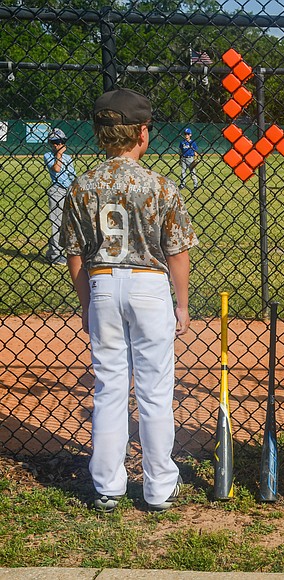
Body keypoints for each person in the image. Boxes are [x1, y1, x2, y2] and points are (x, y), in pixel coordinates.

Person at [60, 88, 198, 513]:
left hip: (101, 283)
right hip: (147, 285)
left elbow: (75, 253)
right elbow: (177, 251)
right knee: (156, 390)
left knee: (109, 387)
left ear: (101, 134)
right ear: (141, 132)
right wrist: (182, 304)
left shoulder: (82, 186)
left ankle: (107, 486)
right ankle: (158, 487)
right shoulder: (158, 184)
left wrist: (87, 303)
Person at [43, 128, 76, 265]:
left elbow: (72, 175)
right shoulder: (48, 155)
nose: (57, 145)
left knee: (65, 223)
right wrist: (59, 155)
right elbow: (56, 169)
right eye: (54, 142)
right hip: (56, 190)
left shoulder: (68, 157)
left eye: (60, 142)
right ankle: (56, 255)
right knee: (56, 223)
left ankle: (51, 251)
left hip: (68, 190)